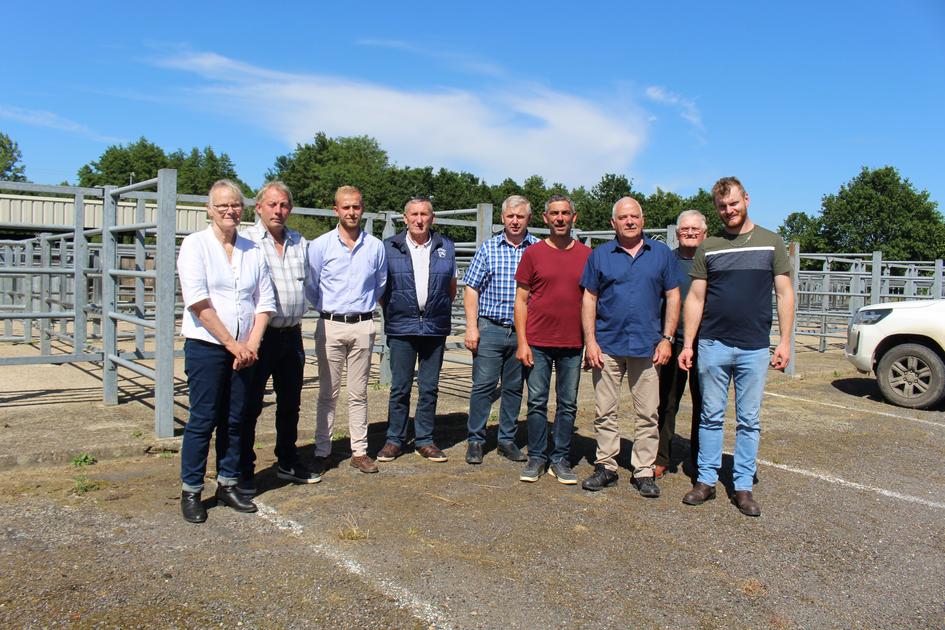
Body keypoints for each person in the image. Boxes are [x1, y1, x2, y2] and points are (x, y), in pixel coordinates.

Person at [679, 177, 795, 517]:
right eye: (722, 207)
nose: (729, 211)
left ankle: (743, 486)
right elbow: (696, 297)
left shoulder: (771, 242)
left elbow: (785, 293)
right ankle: (706, 481)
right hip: (712, 344)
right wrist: (688, 343)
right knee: (710, 416)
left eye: (734, 203)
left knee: (749, 420)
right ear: (716, 210)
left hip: (754, 347)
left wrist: (785, 342)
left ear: (746, 199)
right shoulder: (709, 246)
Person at [176, 179, 275, 523]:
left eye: (235, 205)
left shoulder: (252, 249)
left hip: (245, 349)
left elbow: (265, 301)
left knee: (236, 419)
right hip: (208, 346)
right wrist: (233, 344)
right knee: (203, 419)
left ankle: (228, 482)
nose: (229, 211)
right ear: (209, 209)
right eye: (222, 206)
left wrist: (252, 343)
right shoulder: (195, 245)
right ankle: (191, 489)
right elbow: (198, 301)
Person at [580, 197, 680, 498]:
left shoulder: (661, 254)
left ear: (643, 219)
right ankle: (606, 466)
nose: (629, 221)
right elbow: (589, 298)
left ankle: (644, 471)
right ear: (613, 223)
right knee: (605, 411)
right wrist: (590, 341)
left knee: (648, 413)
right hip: (608, 345)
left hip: (648, 347)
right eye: (623, 217)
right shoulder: (600, 256)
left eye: (634, 216)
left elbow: (673, 296)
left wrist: (667, 338)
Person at [239, 181, 319, 497]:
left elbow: (313, 282)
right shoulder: (245, 240)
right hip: (259, 336)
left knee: (290, 403)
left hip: (292, 335)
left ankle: (287, 459)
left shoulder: (300, 242)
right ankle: (244, 469)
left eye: (284, 205)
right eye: (271, 204)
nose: (278, 210)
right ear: (258, 208)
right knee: (249, 405)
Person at [306, 186, 387, 474]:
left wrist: (362, 312)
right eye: (346, 207)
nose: (351, 212)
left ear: (362, 209)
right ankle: (322, 449)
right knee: (328, 392)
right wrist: (329, 311)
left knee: (359, 392)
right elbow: (312, 286)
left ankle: (360, 451)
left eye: (356, 207)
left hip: (363, 324)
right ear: (336, 210)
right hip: (330, 324)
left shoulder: (375, 247)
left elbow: (380, 284)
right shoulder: (320, 246)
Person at [513, 195, 591, 484]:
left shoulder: (586, 255)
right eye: (554, 213)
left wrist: (589, 342)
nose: (560, 218)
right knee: (536, 401)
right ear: (545, 218)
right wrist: (522, 342)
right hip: (538, 341)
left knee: (568, 403)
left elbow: (590, 300)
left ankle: (560, 458)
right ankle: (536, 456)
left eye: (565, 213)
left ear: (574, 217)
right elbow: (520, 301)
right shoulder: (533, 253)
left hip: (573, 342)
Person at [377, 197, 457, 463]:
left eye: (424, 214)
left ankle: (424, 439)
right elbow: (381, 292)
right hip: (402, 327)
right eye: (414, 214)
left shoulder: (446, 246)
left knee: (429, 387)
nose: (419, 219)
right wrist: (398, 310)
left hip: (434, 327)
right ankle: (394, 439)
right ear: (405, 218)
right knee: (400, 387)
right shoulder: (389, 247)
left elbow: (452, 288)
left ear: (432, 218)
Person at [463, 195, 540, 465]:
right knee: (483, 385)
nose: (515, 221)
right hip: (492, 327)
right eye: (510, 216)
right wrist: (471, 327)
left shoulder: (538, 250)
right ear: (503, 218)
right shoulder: (489, 248)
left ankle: (507, 439)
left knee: (514, 387)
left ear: (529, 219)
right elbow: (471, 287)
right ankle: (476, 439)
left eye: (520, 216)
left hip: (523, 332)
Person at [654, 210, 708, 479]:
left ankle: (700, 459)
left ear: (704, 233)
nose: (689, 233)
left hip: (704, 342)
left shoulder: (711, 262)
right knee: (666, 400)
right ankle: (661, 456)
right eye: (684, 229)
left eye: (694, 229)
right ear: (677, 234)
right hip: (672, 341)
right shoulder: (667, 261)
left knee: (705, 403)